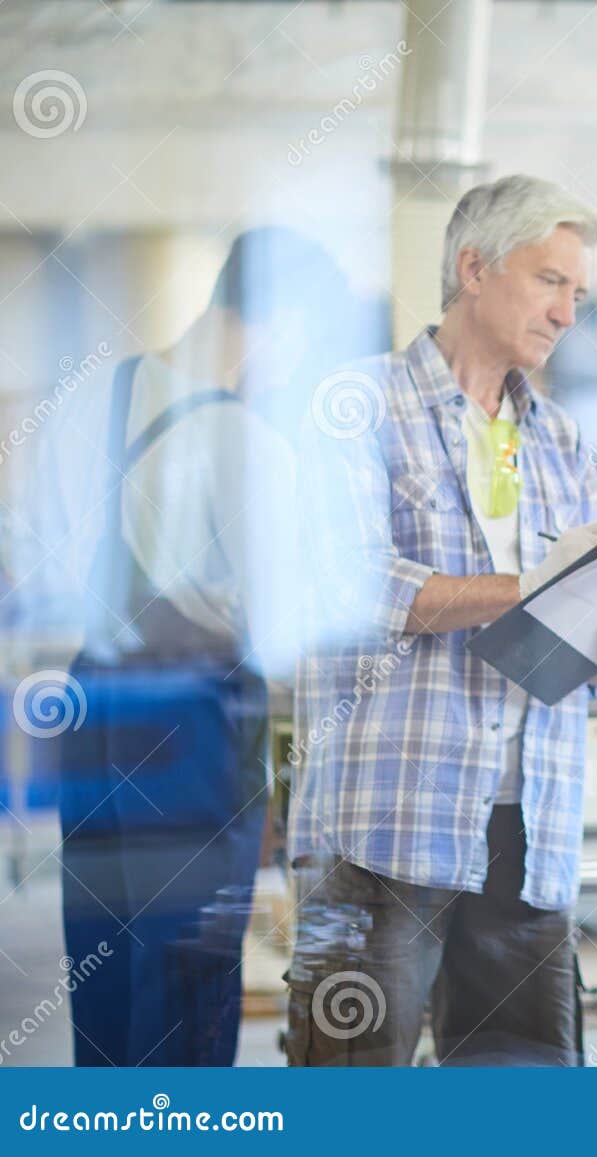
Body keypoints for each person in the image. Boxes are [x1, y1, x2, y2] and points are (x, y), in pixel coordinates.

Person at [286, 175, 597, 1067]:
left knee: (519, 1091)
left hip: (526, 827)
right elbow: (357, 588)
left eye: (580, 292)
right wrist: (534, 580)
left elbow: (552, 623)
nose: (569, 313)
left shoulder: (559, 438)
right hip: (387, 824)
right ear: (473, 268)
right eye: (550, 281)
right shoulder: (358, 406)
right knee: (351, 1080)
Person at [33, 226, 353, 1066]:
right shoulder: (255, 445)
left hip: (88, 714)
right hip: (192, 736)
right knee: (185, 995)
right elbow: (282, 634)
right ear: (279, 324)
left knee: (102, 981)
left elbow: (35, 555)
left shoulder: (81, 400)